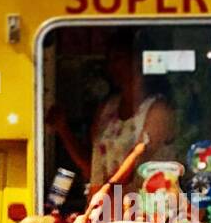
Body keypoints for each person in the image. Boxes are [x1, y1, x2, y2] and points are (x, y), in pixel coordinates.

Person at [48, 34, 176, 192]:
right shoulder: (106, 109)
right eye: (110, 60)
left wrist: (106, 191)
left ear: (138, 62)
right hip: (106, 208)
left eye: (119, 59)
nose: (112, 67)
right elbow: (92, 167)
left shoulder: (159, 110)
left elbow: (137, 160)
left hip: (144, 208)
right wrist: (63, 129)